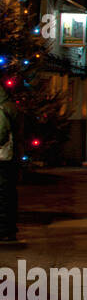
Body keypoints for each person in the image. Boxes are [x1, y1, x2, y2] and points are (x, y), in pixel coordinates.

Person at [0, 84, 19, 241]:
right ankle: (8, 228)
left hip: (2, 157)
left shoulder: (1, 108)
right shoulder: (10, 105)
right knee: (7, 192)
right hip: (9, 157)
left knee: (2, 193)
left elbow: (0, 134)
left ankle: (4, 229)